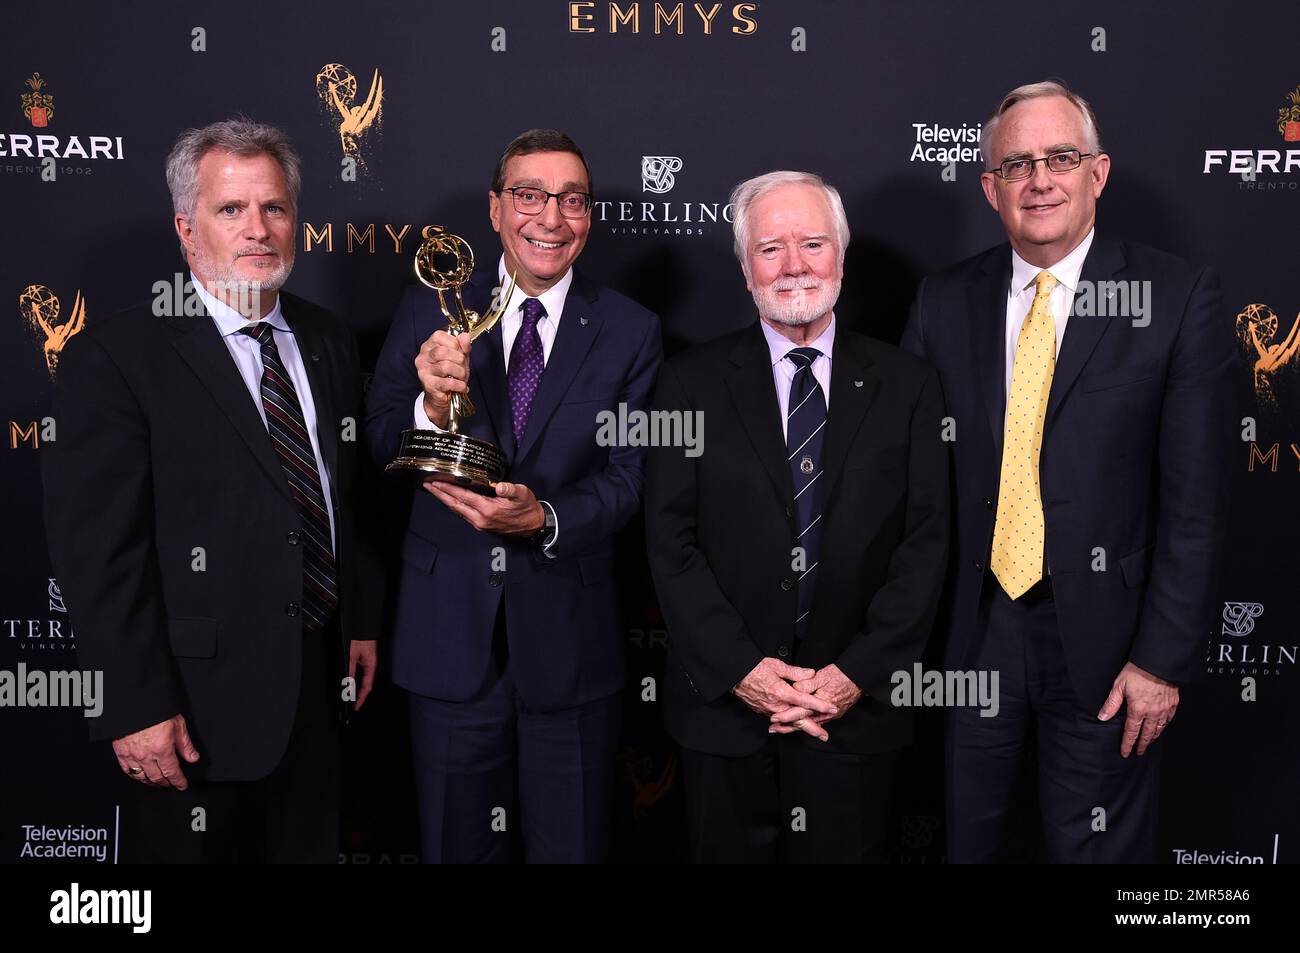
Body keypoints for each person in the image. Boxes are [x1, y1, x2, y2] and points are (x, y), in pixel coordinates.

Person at [901, 80, 1235, 862]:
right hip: (973, 632)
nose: (1040, 179)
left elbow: (1196, 503)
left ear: (1099, 172)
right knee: (967, 843)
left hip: (1112, 646)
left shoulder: (1176, 296)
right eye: (1017, 164)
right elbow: (911, 483)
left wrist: (1160, 658)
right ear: (990, 188)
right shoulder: (943, 301)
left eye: (1061, 157)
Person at [43, 118, 378, 863]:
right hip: (190, 713)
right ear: (186, 229)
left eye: (276, 208)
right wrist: (131, 704)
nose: (259, 229)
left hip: (317, 697)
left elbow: (337, 500)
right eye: (232, 210)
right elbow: (97, 556)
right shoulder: (116, 357)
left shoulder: (326, 338)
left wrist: (356, 616)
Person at [365, 128, 662, 863]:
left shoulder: (631, 330)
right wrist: (430, 409)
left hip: (570, 647)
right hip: (448, 643)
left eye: (572, 200)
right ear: (496, 208)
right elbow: (376, 442)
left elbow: (632, 478)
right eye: (529, 195)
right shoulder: (430, 307)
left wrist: (547, 517)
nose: (551, 218)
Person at [645, 170, 949, 863]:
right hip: (724, 712)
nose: (794, 266)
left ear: (841, 255)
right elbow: (669, 542)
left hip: (857, 714)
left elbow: (926, 544)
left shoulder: (910, 386)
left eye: (812, 243)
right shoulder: (687, 382)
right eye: (770, 248)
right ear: (745, 268)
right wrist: (743, 670)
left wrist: (853, 674)